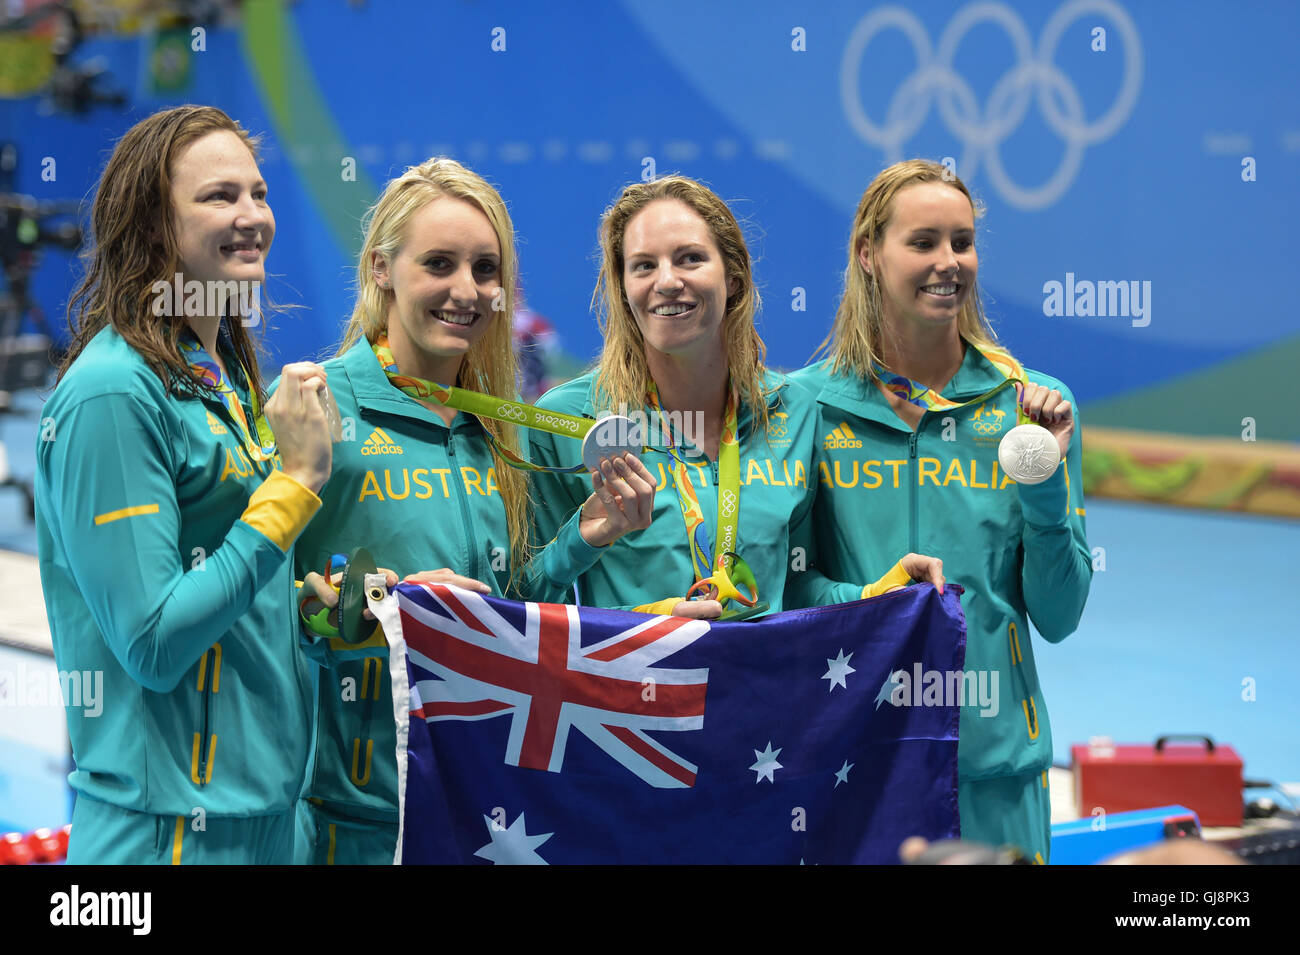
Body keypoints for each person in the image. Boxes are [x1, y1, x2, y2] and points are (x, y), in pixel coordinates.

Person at [291, 158, 656, 865]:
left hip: (481, 808)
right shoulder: (320, 407)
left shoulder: (492, 427)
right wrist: (387, 603)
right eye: (439, 264)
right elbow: (280, 606)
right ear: (381, 270)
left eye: (485, 269)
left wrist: (583, 537)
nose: (468, 290)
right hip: (359, 818)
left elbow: (504, 612)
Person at [35, 106, 333, 864]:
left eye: (258, 194)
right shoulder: (112, 392)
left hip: (269, 816)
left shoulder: (222, 377)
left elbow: (228, 582)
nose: (251, 216)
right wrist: (295, 483)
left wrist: (305, 614)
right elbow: (154, 641)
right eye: (219, 196)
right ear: (153, 225)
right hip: (167, 833)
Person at [792, 159, 1092, 864]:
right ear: (869, 254)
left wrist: (1043, 480)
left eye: (962, 242)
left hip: (996, 765)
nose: (948, 263)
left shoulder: (1033, 406)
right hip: (854, 756)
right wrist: (869, 597)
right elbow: (787, 589)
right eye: (923, 242)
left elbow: (1060, 613)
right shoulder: (803, 407)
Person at [529, 175, 942, 617]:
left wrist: (876, 594)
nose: (667, 281)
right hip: (638, 682)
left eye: (690, 259)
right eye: (644, 265)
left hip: (763, 684)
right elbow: (521, 607)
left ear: (735, 278)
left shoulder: (793, 410)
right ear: (623, 286)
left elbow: (797, 589)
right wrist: (589, 550)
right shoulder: (569, 420)